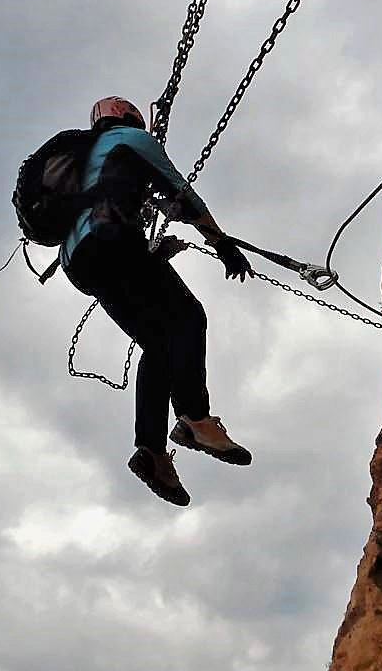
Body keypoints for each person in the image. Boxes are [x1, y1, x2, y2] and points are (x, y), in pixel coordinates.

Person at [61, 96, 253, 506]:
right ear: (130, 118)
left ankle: (150, 451)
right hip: (112, 243)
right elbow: (185, 196)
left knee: (159, 343)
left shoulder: (85, 162)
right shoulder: (131, 140)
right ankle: (195, 419)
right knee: (187, 317)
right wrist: (222, 245)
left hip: (80, 262)